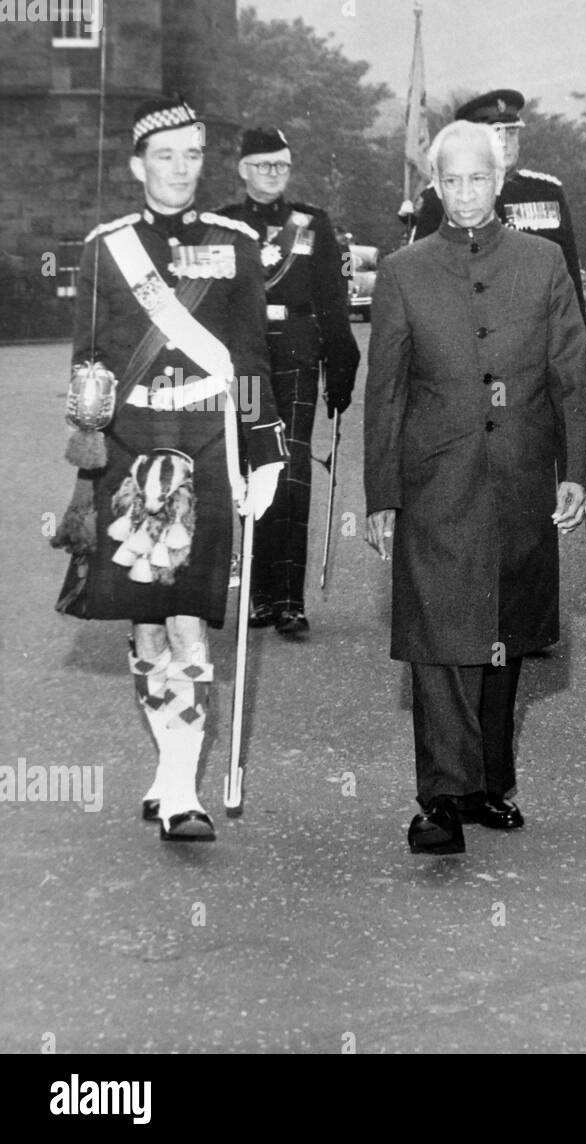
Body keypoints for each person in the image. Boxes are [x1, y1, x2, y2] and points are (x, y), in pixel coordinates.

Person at [51, 98, 286, 842]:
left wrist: (264, 449)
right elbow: (88, 362)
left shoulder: (236, 243)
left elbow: (250, 359)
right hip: (129, 445)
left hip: (208, 441)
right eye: (165, 156)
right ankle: (170, 761)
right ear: (136, 166)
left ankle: (183, 787)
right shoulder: (106, 248)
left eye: (191, 155)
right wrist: (89, 450)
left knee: (187, 615)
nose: (180, 169)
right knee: (146, 625)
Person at [365, 120, 586, 857]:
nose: (465, 195)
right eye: (451, 181)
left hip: (523, 474)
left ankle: (488, 782)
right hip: (437, 479)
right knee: (438, 636)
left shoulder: (544, 261)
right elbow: (387, 394)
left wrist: (575, 473)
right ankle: (438, 798)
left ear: (501, 182)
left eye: (479, 179)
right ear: (435, 185)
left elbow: (571, 378)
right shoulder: (403, 271)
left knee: (503, 631)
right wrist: (380, 495)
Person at [217, 127, 359, 635]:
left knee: (294, 470)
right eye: (263, 165)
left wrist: (342, 360)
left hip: (299, 355)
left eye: (281, 165)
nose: (273, 174)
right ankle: (259, 595)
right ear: (243, 169)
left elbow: (331, 297)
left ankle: (290, 600)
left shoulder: (313, 225)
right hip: (249, 365)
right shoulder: (224, 225)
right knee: (258, 466)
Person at [411, 88, 585, 315]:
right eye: (495, 135)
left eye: (511, 133)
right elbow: (419, 279)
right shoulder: (438, 197)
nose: (504, 143)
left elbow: (569, 276)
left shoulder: (546, 192)